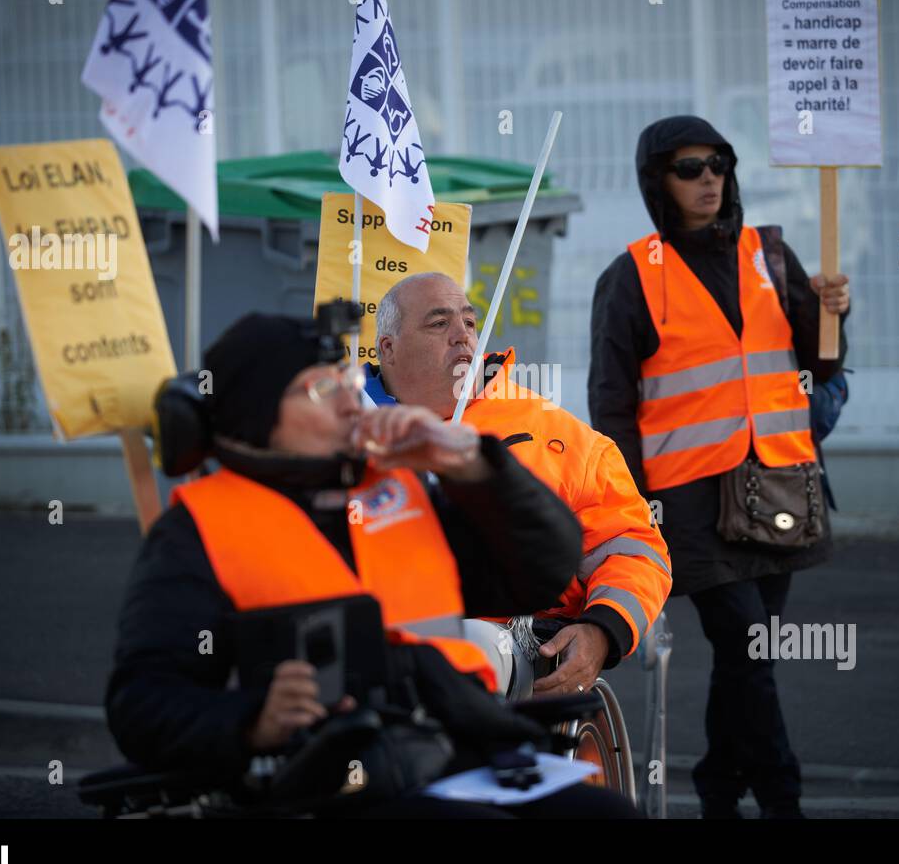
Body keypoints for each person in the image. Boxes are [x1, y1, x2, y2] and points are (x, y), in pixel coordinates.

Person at [107, 310, 638, 818]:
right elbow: (142, 704)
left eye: (345, 380)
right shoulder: (199, 527)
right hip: (321, 783)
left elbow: (539, 573)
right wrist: (251, 721)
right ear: (257, 416)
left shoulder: (398, 486)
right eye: (320, 390)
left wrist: (474, 467)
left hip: (452, 752)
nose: (349, 401)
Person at [587, 115, 851, 819]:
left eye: (717, 164)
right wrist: (630, 507)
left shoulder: (769, 254)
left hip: (777, 487)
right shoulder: (632, 276)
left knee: (748, 657)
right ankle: (781, 797)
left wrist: (834, 314)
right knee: (748, 645)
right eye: (689, 168)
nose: (708, 179)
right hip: (689, 504)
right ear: (658, 182)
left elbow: (819, 366)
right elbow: (611, 405)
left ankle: (715, 787)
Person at [365, 272, 671, 697]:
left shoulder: (564, 439)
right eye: (439, 324)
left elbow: (634, 547)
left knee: (463, 651)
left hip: (507, 642)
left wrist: (603, 628)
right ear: (388, 349)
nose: (462, 337)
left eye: (469, 323)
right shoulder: (338, 433)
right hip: (369, 632)